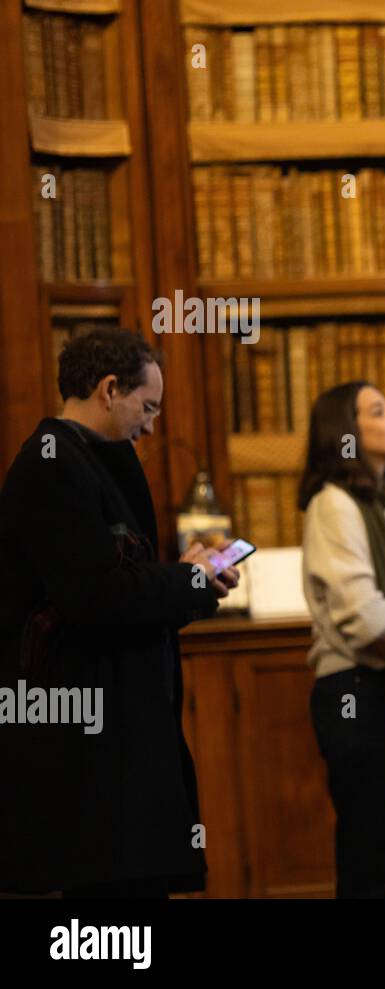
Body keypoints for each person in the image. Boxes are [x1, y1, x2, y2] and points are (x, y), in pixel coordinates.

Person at [0, 329, 238, 897]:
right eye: (147, 406)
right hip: (88, 750)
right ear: (110, 389)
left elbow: (122, 585)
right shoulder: (52, 463)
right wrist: (186, 580)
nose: (152, 426)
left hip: (117, 737)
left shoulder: (90, 460)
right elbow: (97, 596)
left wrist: (189, 581)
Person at [299, 381, 385, 898]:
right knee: (368, 856)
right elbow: (363, 617)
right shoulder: (335, 504)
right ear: (345, 431)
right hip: (356, 690)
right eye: (378, 410)